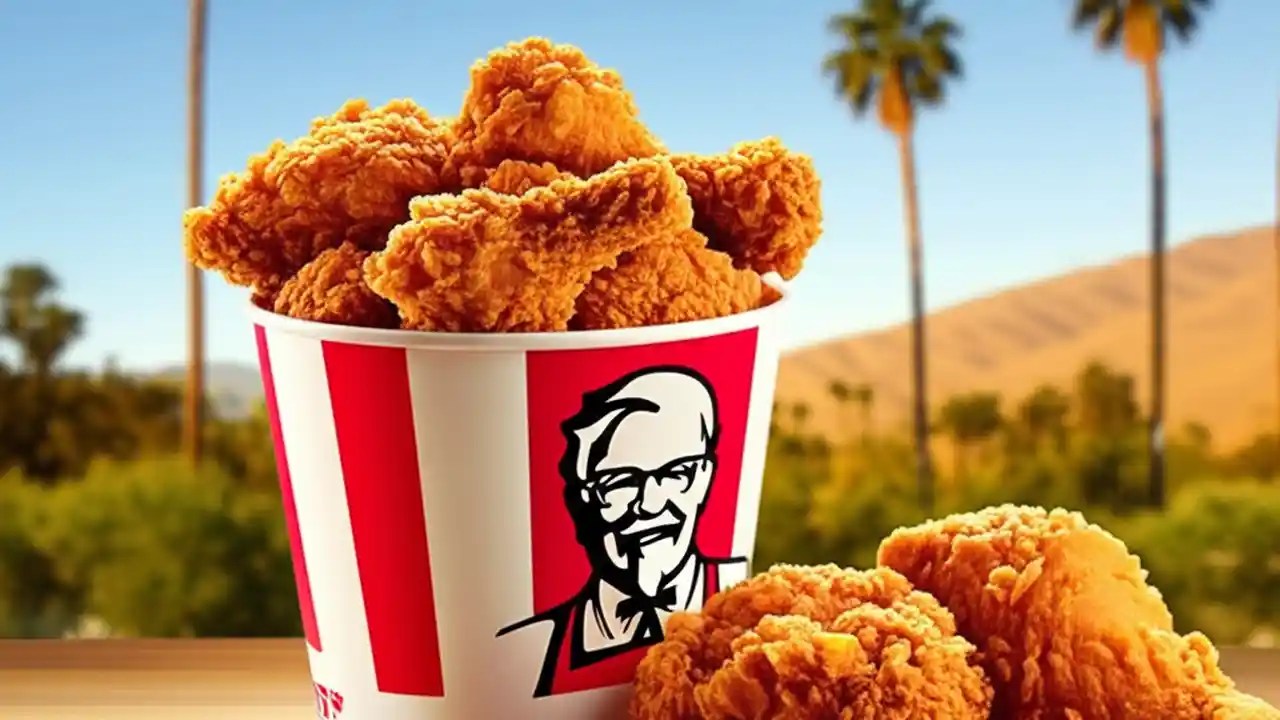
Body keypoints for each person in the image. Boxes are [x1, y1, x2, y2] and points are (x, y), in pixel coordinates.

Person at [499, 366, 748, 697]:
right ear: (587, 499)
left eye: (676, 474)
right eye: (621, 482)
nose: (651, 503)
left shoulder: (747, 611)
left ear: (704, 478)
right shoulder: (529, 649)